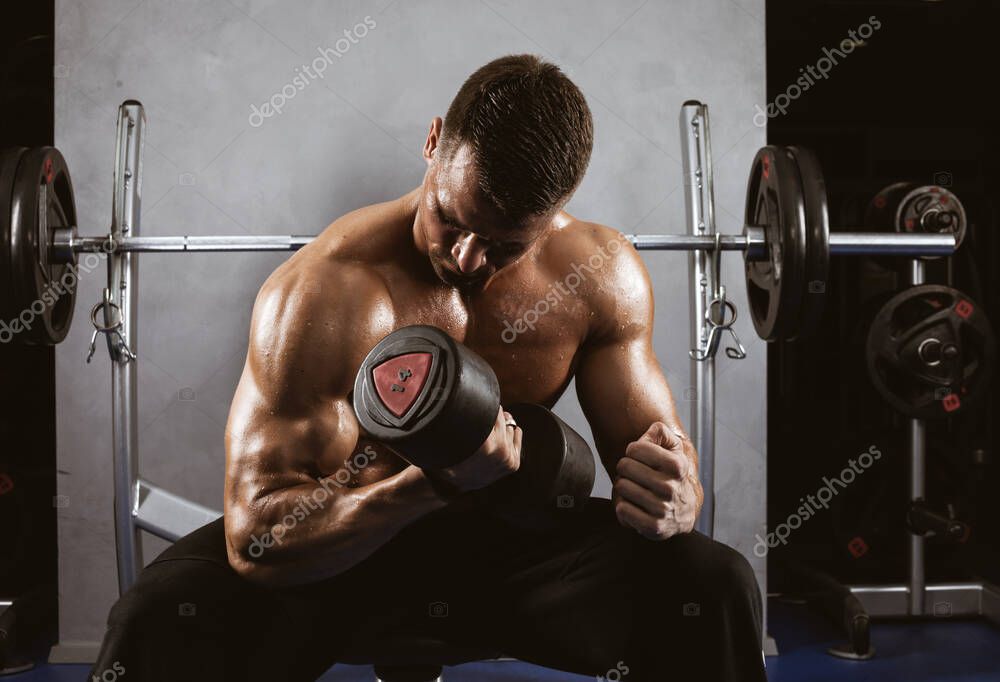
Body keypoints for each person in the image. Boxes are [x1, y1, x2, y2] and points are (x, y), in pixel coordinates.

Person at [90, 54, 766, 682]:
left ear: (555, 213)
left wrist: (675, 500)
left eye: (505, 244)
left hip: (511, 557)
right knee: (162, 616)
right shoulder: (327, 293)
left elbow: (652, 470)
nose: (468, 259)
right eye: (451, 219)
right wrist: (431, 486)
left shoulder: (597, 277)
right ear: (432, 141)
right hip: (348, 553)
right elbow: (260, 540)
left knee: (711, 585)